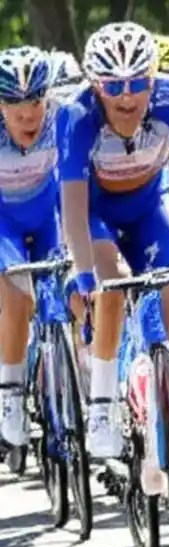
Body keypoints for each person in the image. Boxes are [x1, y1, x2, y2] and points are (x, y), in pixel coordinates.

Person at [60, 23, 169, 484]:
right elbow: (74, 209)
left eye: (138, 83)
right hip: (97, 216)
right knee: (113, 284)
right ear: (95, 86)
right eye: (113, 86)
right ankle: (102, 404)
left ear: (154, 79)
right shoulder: (76, 117)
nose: (127, 97)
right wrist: (85, 278)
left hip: (152, 206)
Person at [0, 47, 62, 447]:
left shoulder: (64, 118)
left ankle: (72, 383)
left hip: (48, 217)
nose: (28, 115)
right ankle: (10, 396)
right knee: (18, 301)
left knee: (65, 296)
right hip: (3, 223)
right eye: (14, 105)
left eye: (36, 101)